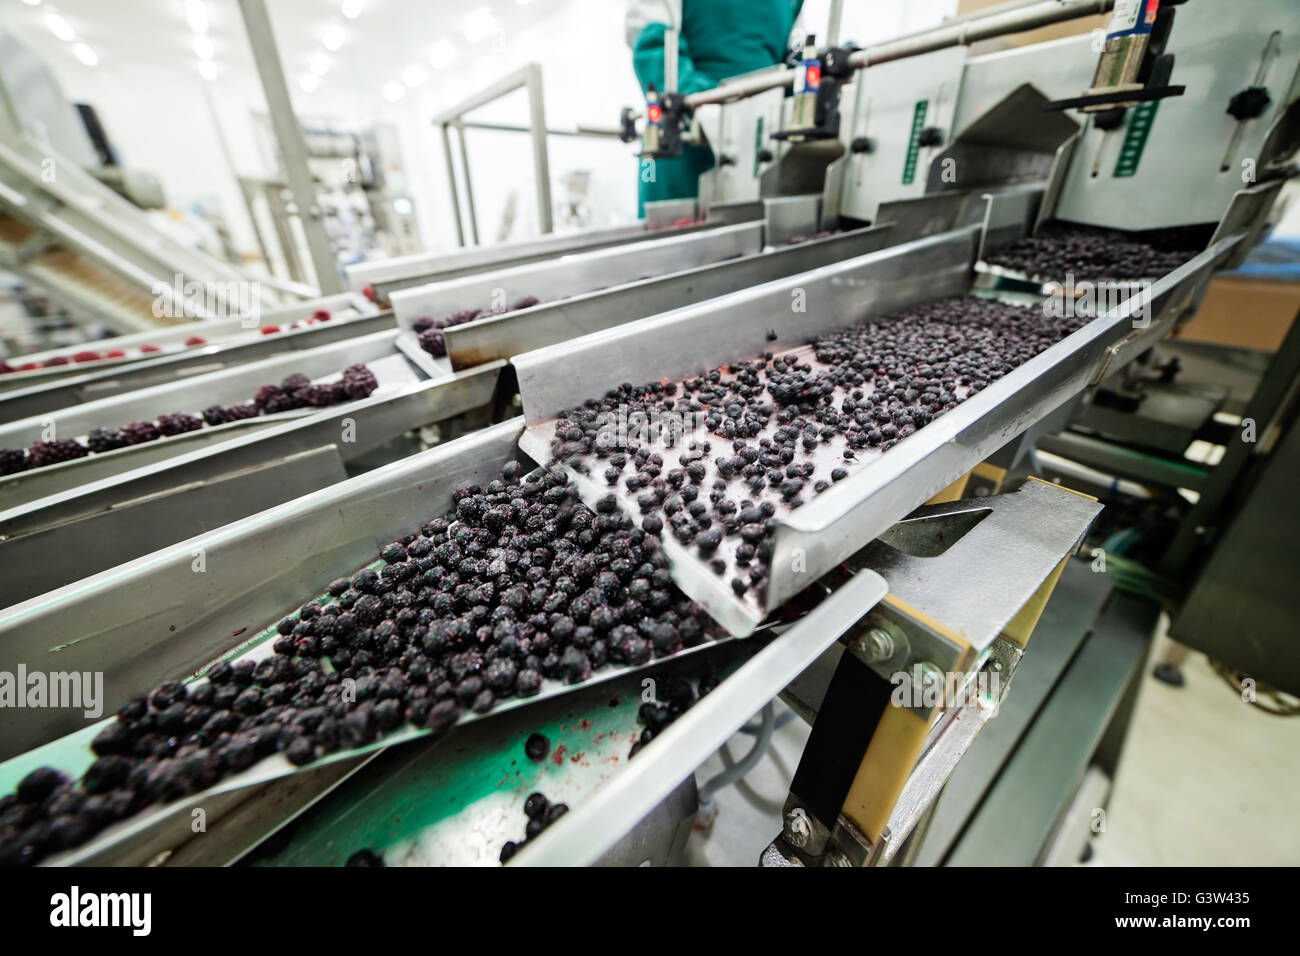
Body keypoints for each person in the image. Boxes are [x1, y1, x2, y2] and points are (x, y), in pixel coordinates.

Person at [626, 0, 803, 215]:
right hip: (677, 144)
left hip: (760, 144)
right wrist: (702, 101)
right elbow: (651, 41)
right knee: (662, 234)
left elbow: (797, 54)